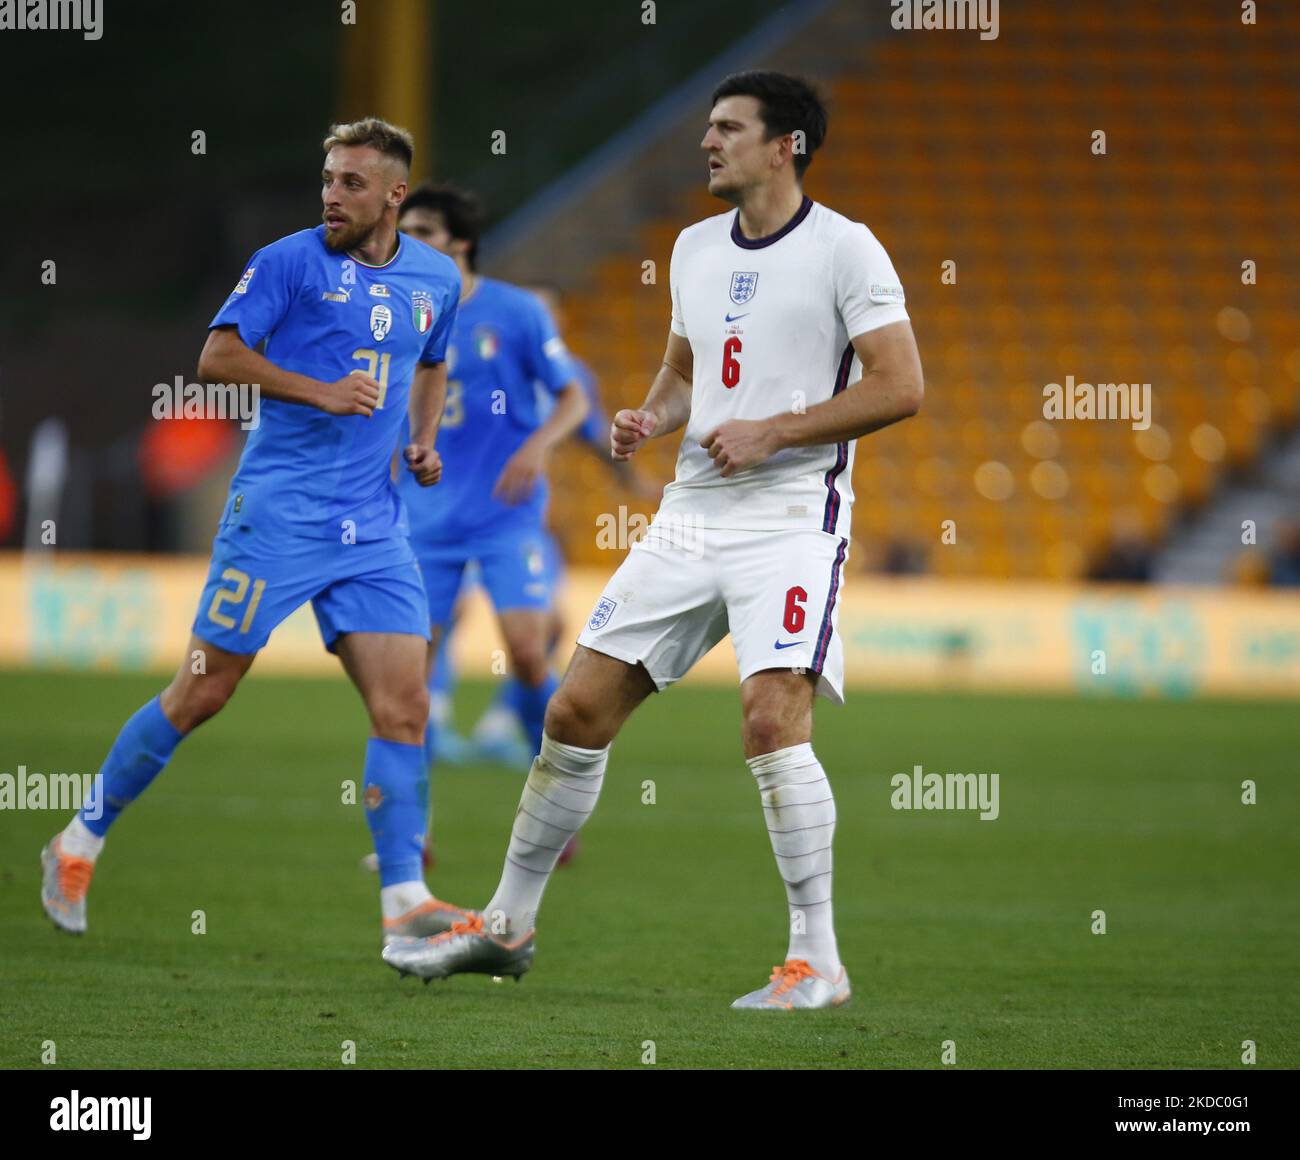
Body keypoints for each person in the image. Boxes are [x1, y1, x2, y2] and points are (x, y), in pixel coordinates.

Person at [384, 72, 925, 1009]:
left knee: (768, 720)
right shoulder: (693, 248)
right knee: (572, 713)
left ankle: (817, 962)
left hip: (793, 516)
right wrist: (651, 416)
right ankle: (507, 928)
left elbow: (900, 384)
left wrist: (778, 430)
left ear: (784, 144)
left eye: (728, 128)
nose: (707, 142)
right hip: (690, 514)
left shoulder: (848, 249)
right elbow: (684, 372)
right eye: (708, 127)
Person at [41, 118, 468, 957]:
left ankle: (403, 907)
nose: (332, 196)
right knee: (202, 692)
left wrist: (424, 440)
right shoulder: (288, 262)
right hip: (277, 515)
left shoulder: (435, 278)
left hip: (373, 528)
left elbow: (432, 361)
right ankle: (77, 842)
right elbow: (217, 359)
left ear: (393, 194)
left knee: (405, 705)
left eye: (352, 182)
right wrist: (318, 390)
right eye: (328, 179)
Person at [393, 184, 589, 859]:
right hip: (424, 518)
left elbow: (572, 397)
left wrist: (536, 445)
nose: (409, 240)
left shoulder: (517, 311)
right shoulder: (394, 312)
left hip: (507, 516)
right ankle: (410, 831)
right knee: (407, 677)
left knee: (531, 649)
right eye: (404, 228)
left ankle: (559, 806)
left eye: (423, 229)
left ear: (460, 241)